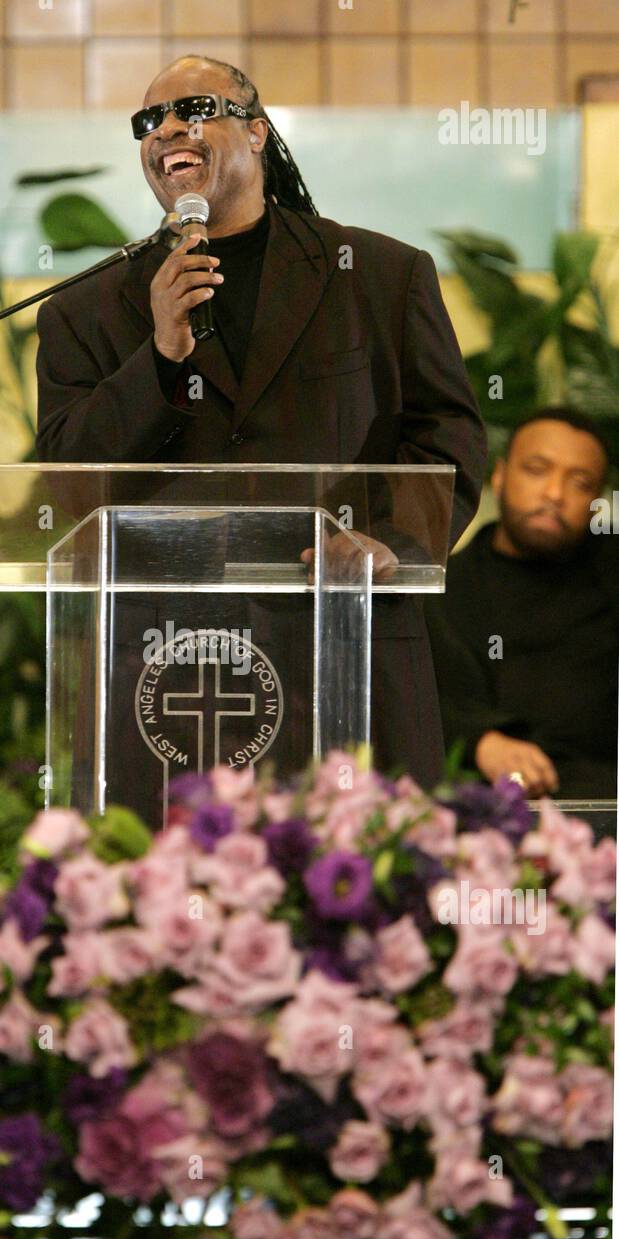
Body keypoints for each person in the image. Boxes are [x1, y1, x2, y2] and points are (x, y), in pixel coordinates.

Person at [36, 54, 486, 789]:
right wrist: (158, 358)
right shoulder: (85, 312)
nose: (167, 129)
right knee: (166, 895)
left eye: (194, 109)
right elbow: (67, 482)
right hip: (161, 665)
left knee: (359, 891)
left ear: (257, 133)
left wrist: (392, 539)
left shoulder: (376, 275)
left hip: (343, 642)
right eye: (149, 122)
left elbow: (447, 434)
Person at [427, 407, 619, 799]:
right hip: (478, 811)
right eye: (537, 469)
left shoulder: (610, 576)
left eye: (580, 482)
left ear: (597, 502)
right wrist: (481, 741)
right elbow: (407, 703)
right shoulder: (445, 589)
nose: (554, 493)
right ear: (499, 475)